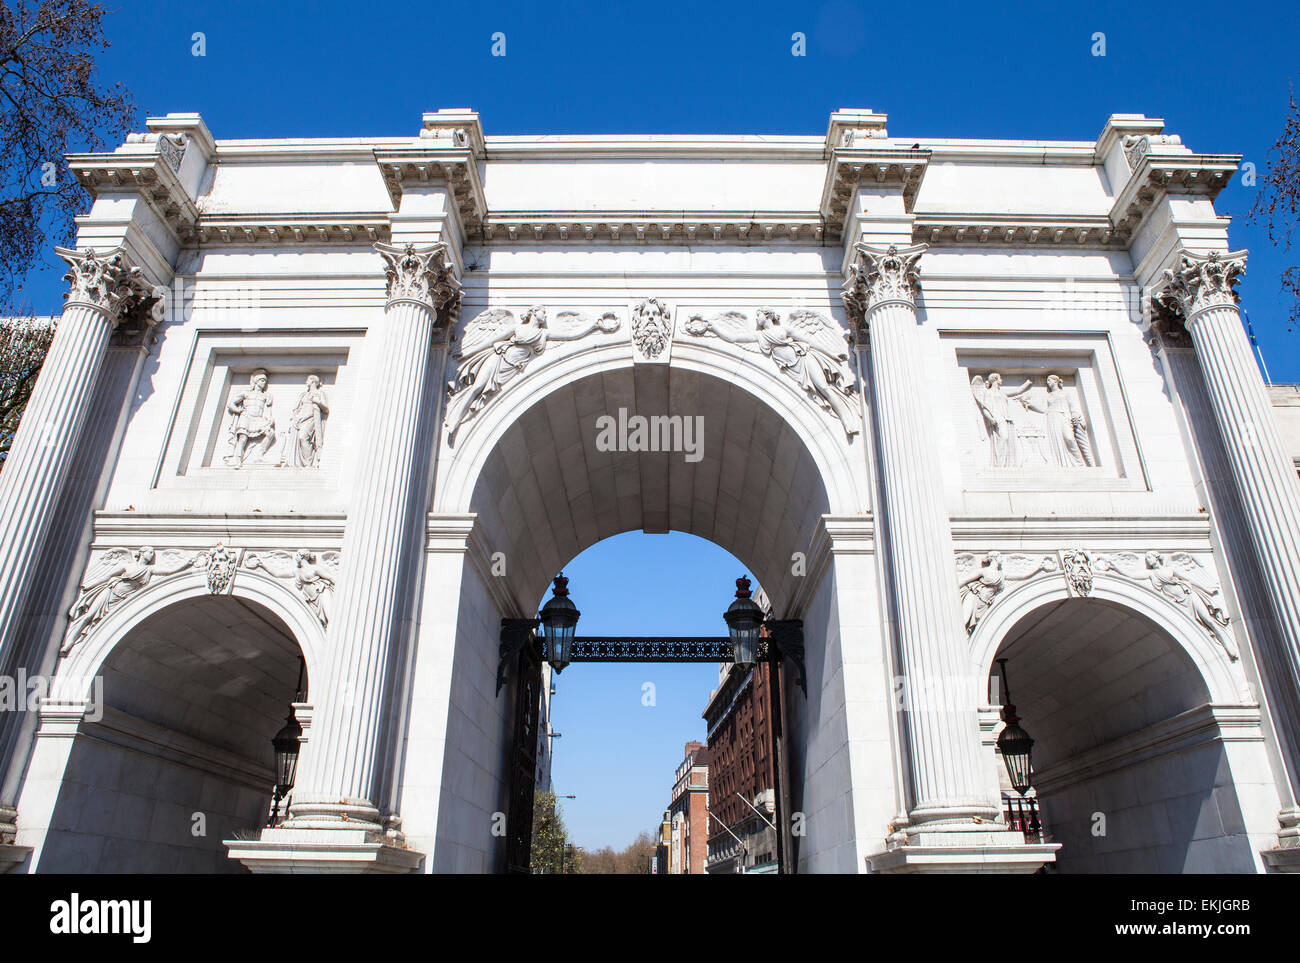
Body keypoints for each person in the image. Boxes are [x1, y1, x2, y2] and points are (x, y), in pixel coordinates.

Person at [224, 369, 275, 466]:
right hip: (246, 417)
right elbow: (231, 404)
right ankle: (238, 460)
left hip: (258, 419)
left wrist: (269, 419)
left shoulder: (265, 395)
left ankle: (259, 455)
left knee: (270, 433)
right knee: (242, 438)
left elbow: (267, 410)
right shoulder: (246, 393)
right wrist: (238, 410)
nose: (264, 383)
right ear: (256, 381)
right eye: (262, 380)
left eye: (265, 381)